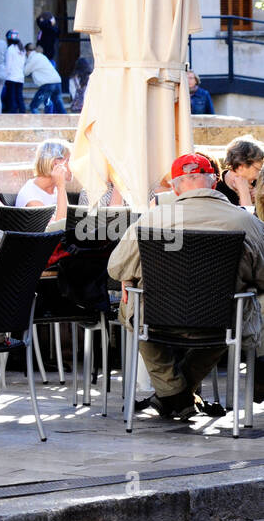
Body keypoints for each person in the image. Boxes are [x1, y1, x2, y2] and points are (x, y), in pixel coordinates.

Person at [109, 152, 264, 418]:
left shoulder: (152, 220)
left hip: (158, 319)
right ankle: (178, 396)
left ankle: (172, 396)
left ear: (174, 187)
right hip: (222, 320)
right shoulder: (246, 222)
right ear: (214, 182)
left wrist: (128, 276)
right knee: (240, 309)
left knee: (131, 306)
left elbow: (116, 267)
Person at [15, 139, 72, 227]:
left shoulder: (54, 188)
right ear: (55, 163)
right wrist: (61, 187)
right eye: (69, 160)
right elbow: (60, 228)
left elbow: (69, 219)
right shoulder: (31, 198)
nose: (74, 165)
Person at [216, 136, 263, 207]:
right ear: (241, 166)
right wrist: (244, 194)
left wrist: (260, 200)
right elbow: (246, 218)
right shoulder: (216, 190)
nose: (257, 176)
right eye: (257, 169)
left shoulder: (258, 185)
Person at [24, 43, 66, 114]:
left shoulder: (32, 58)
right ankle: (67, 123)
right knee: (59, 107)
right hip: (57, 82)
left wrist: (25, 62)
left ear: (27, 51)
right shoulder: (42, 56)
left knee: (33, 106)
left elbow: (25, 72)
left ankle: (40, 124)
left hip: (47, 85)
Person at [2, 30, 26, 113]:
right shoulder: (22, 49)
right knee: (19, 98)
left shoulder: (10, 49)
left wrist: (4, 76)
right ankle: (23, 114)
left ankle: (12, 116)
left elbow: (7, 66)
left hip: (11, 77)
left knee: (11, 99)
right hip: (20, 77)